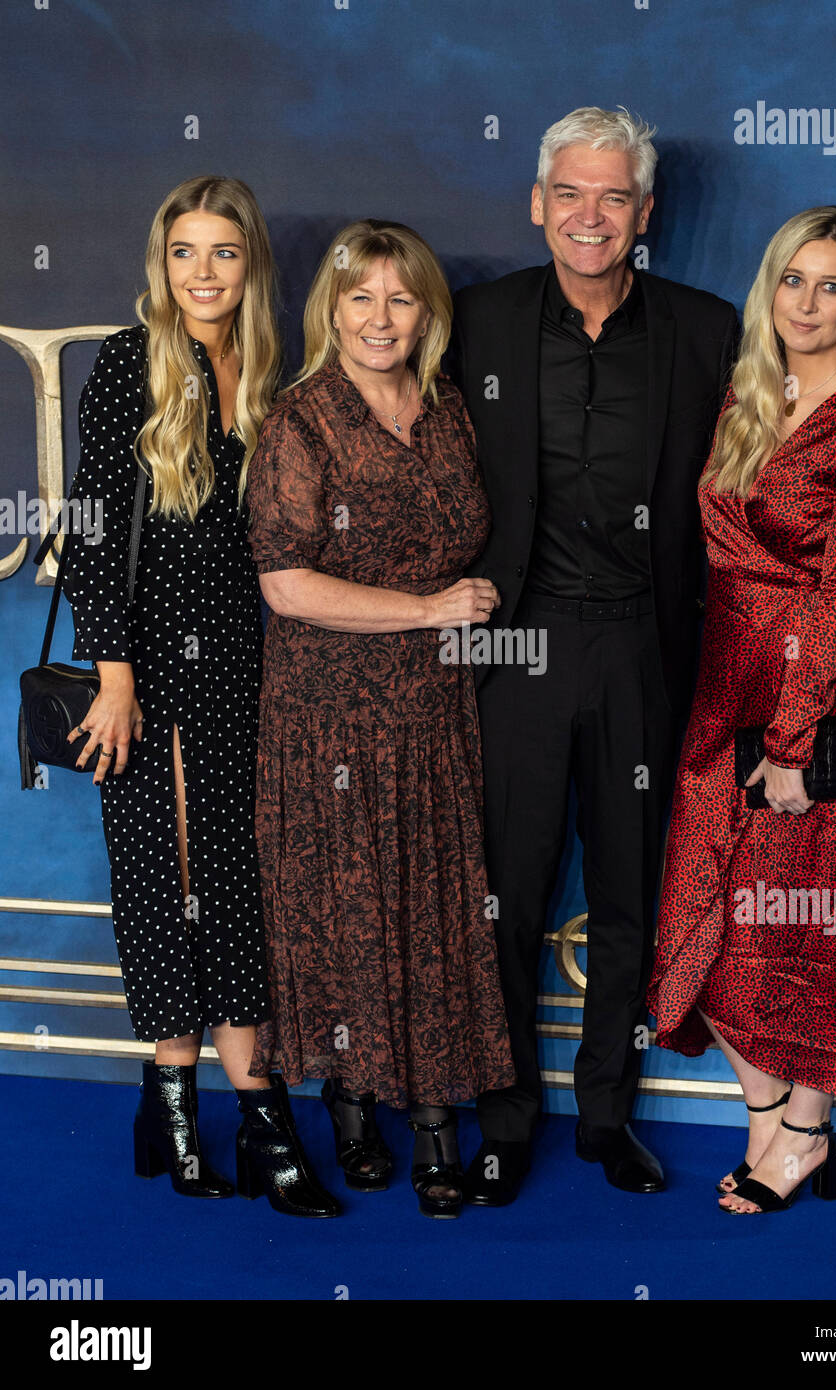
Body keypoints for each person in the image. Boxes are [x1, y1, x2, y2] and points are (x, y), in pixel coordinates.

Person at [446, 106, 739, 1204]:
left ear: (644, 213)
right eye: (568, 192)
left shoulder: (707, 333)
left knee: (629, 896)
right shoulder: (474, 323)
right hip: (515, 648)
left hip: (641, 650)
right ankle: (503, 1116)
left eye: (612, 196)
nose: (588, 215)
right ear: (536, 202)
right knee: (506, 899)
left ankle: (607, 1114)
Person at [64, 175, 339, 1218]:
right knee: (162, 875)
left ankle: (233, 1105)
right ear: (161, 262)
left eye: (223, 252)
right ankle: (193, 1108)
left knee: (235, 882)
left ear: (250, 263)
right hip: (143, 673)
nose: (203, 272)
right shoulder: (133, 363)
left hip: (246, 668)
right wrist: (116, 675)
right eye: (184, 252)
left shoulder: (277, 370)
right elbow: (90, 528)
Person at [646, 206, 836, 1214]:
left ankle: (803, 1132)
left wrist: (793, 741)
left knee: (809, 923)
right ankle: (765, 1117)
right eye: (790, 281)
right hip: (727, 681)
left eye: (830, 286)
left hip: (817, 696)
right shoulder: (747, 392)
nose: (805, 304)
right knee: (709, 909)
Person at [244, 218, 515, 1220]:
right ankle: (353, 1104)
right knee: (345, 900)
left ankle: (438, 1120)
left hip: (436, 708)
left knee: (437, 903)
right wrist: (428, 610)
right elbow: (283, 582)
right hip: (331, 710)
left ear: (427, 313)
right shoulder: (302, 419)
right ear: (331, 309)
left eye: (400, 298)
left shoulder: (448, 409)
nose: (379, 317)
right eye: (360, 296)